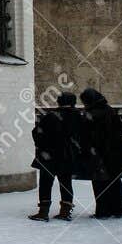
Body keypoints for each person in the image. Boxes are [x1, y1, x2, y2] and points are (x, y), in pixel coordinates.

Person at [79, 86, 122, 219]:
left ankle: (103, 211)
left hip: (100, 155)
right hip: (115, 154)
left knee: (100, 183)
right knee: (115, 182)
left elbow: (89, 136)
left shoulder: (92, 114)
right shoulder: (109, 110)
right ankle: (118, 210)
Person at [28, 92, 82, 220]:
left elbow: (37, 133)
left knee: (46, 183)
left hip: (49, 156)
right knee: (66, 183)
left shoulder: (51, 116)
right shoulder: (78, 117)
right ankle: (65, 211)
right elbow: (83, 137)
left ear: (60, 102)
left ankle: (43, 211)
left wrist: (43, 147)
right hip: (68, 156)